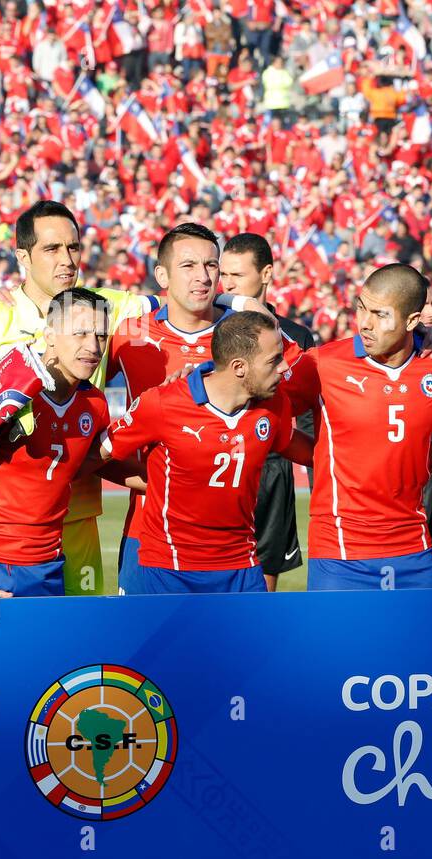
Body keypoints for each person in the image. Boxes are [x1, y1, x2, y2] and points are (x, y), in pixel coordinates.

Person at [0, 201, 162, 597]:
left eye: (73, 248)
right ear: (23, 256)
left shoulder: (108, 306)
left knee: (74, 647)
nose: (67, 260)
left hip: (76, 516)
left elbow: (181, 304)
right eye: (52, 249)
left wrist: (239, 302)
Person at [108, 222, 290, 594]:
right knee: (141, 652)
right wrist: (158, 482)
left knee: (236, 652)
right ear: (162, 275)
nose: (203, 277)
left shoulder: (247, 338)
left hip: (229, 543)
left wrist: (423, 340)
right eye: (189, 266)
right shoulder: (127, 336)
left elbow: (311, 371)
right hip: (147, 533)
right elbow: (90, 435)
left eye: (211, 266)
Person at [286, 263, 432, 590]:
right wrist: (315, 455)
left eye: (380, 314)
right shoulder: (324, 364)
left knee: (421, 642)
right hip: (340, 550)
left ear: (412, 321)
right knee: (338, 643)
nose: (365, 323)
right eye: (361, 307)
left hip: (414, 546)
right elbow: (264, 414)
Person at [0, 290, 115, 633]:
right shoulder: (5, 389)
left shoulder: (96, 405)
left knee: (39, 682)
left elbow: (74, 465)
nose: (92, 345)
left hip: (47, 567)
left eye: (101, 334)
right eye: (79, 332)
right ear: (49, 335)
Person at [103, 311, 313, 594]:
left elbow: (311, 453)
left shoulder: (274, 406)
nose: (283, 367)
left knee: (252, 640)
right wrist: (153, 482)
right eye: (274, 360)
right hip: (169, 569)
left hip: (242, 567)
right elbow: (98, 457)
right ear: (239, 367)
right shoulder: (162, 403)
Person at [219, 232, 316, 591]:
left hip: (272, 465)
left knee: (262, 587)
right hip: (218, 462)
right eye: (223, 275)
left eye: (237, 276)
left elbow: (308, 418)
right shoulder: (210, 329)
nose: (227, 285)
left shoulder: (295, 336)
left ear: (266, 275)